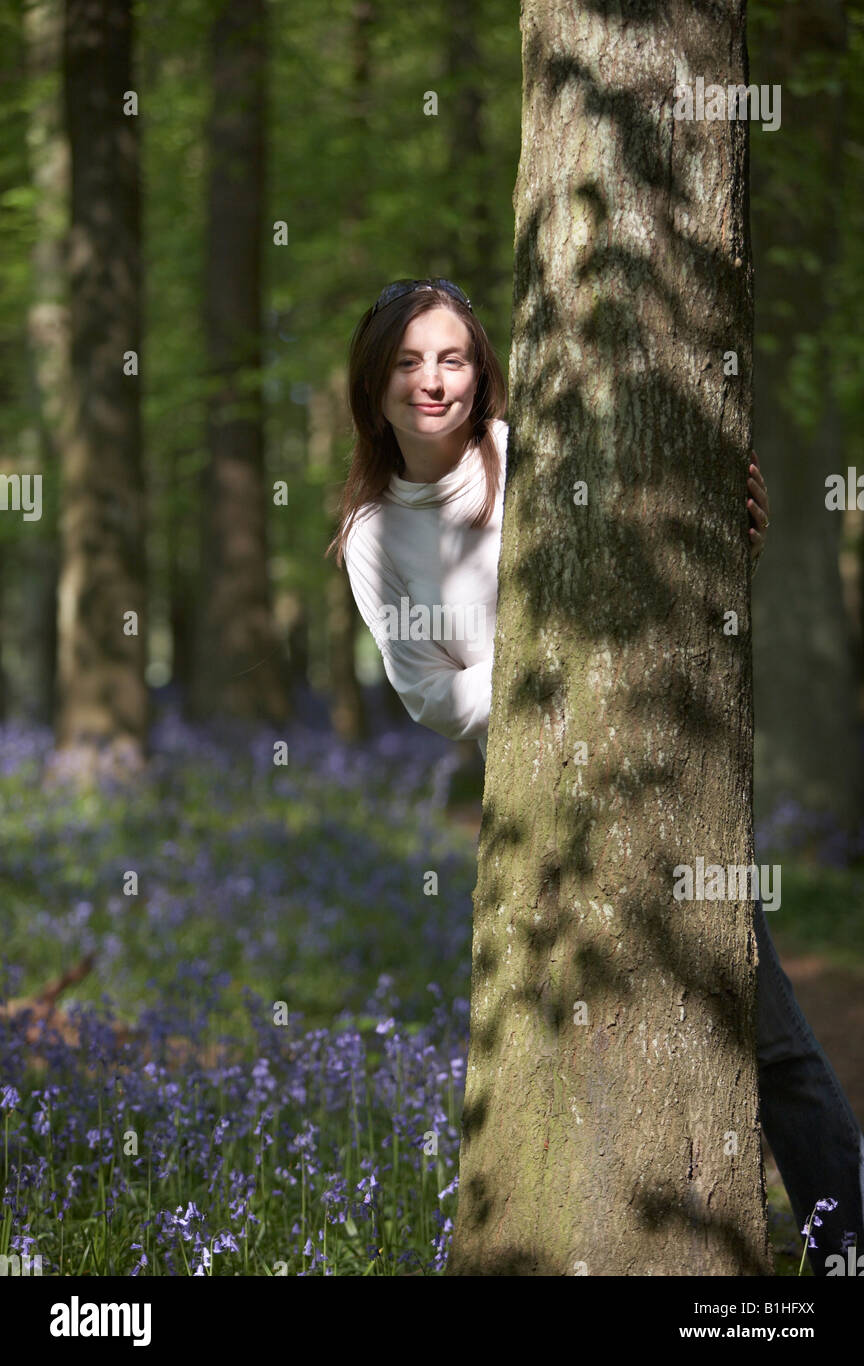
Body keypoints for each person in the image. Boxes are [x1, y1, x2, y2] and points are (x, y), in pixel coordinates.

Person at [328, 276, 864, 1275]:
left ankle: (844, 1252)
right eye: (406, 362)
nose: (431, 380)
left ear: (480, 367)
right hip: (539, 810)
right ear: (374, 385)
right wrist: (556, 654)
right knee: (580, 1035)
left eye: (450, 357)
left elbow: (647, 552)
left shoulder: (523, 448)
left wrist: (726, 522)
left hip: (664, 769)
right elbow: (429, 695)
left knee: (766, 1028)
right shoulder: (372, 536)